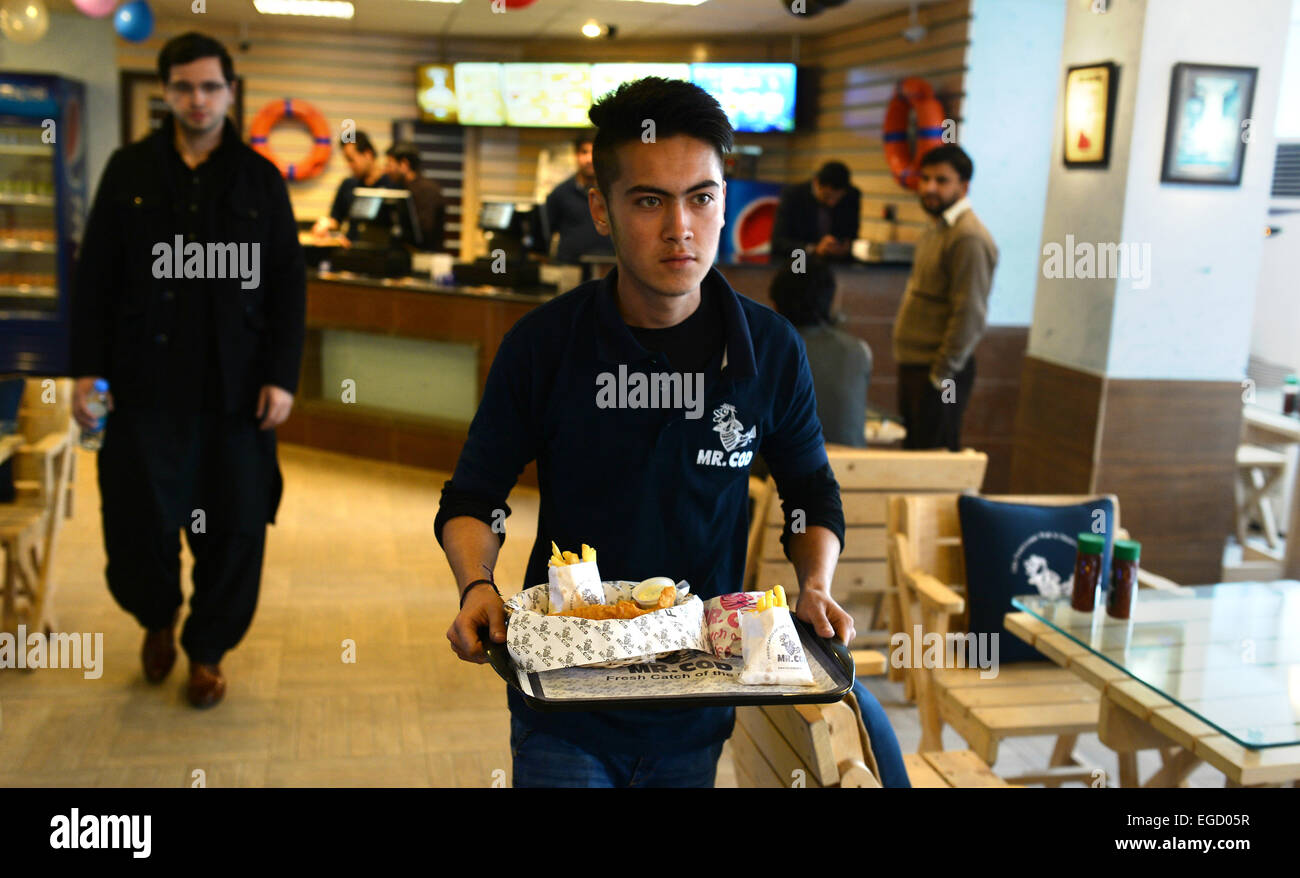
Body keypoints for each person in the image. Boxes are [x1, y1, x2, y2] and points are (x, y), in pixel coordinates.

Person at [439, 77, 857, 788]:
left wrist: (815, 581)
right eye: (649, 201)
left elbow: (810, 489)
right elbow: (475, 495)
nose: (680, 228)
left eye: (701, 197)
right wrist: (476, 583)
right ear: (601, 208)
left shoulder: (771, 349)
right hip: (564, 695)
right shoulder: (543, 346)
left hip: (698, 692)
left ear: (725, 200)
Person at [69, 32, 305, 708]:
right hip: (143, 388)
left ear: (230, 91)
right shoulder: (129, 169)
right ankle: (157, 617)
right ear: (166, 92)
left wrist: (283, 376)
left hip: (237, 394)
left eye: (209, 87)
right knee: (141, 520)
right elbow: (94, 281)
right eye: (183, 87)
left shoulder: (260, 179)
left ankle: (207, 651)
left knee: (233, 526)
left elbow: (288, 284)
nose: (196, 100)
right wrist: (86, 372)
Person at [891, 144, 997, 451]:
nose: (929, 188)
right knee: (914, 458)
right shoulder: (938, 228)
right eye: (925, 179)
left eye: (941, 180)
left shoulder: (968, 237)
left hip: (940, 375)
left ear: (963, 186)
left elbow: (970, 314)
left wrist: (941, 375)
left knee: (932, 466)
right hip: (918, 368)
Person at [769, 256, 872, 448]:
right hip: (852, 470)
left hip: (779, 475)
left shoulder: (765, 352)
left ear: (775, 304)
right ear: (830, 302)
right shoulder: (858, 352)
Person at [544, 129, 614, 264]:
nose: (589, 159)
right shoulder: (560, 193)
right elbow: (545, 234)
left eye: (594, 152)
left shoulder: (615, 192)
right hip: (570, 271)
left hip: (610, 268)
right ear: (576, 155)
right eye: (584, 152)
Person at [770, 161, 862, 262]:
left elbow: (852, 233)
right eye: (827, 196)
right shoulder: (793, 195)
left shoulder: (852, 195)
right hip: (797, 263)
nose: (832, 203)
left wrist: (846, 246)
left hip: (837, 265)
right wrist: (814, 248)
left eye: (838, 198)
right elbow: (779, 242)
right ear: (816, 183)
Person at [311, 130, 395, 239]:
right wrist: (326, 225)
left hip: (383, 251)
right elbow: (336, 219)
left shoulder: (391, 185)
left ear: (368, 154)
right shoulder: (348, 185)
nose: (349, 165)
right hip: (351, 249)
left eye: (351, 160)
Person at [385, 141, 446, 251]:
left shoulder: (427, 190)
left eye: (390, 164)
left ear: (404, 164)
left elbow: (425, 232)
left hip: (426, 259)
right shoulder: (402, 188)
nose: (387, 170)